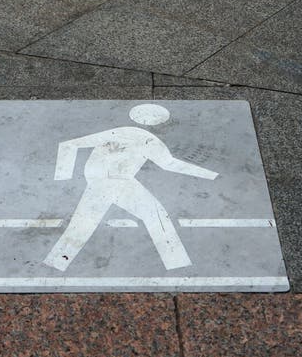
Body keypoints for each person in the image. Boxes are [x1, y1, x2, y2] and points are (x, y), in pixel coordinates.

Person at [43, 103, 219, 271]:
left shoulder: (119, 132)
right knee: (156, 214)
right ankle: (176, 263)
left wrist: (63, 178)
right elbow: (169, 164)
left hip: (101, 181)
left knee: (84, 222)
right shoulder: (148, 139)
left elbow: (69, 144)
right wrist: (211, 175)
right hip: (117, 181)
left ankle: (56, 262)